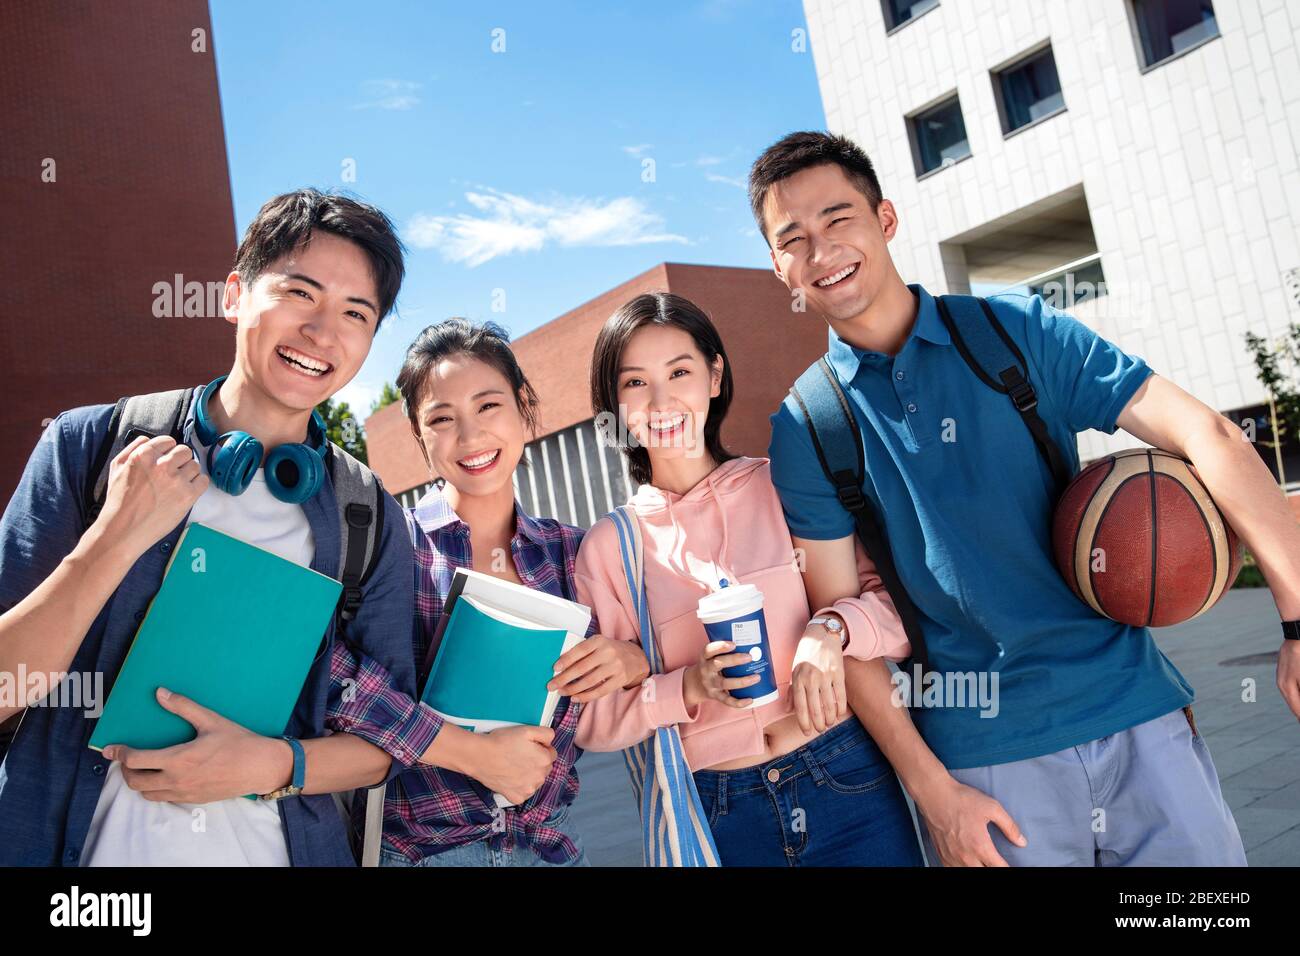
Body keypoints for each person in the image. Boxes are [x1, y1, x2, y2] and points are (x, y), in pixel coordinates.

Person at [750, 130, 1292, 865]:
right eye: (794, 238)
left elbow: (1211, 438)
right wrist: (936, 797)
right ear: (779, 267)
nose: (821, 250)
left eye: (837, 218)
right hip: (984, 764)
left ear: (885, 219)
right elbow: (847, 629)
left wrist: (1297, 624)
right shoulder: (808, 424)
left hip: (1135, 712)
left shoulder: (1016, 332)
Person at [0, 189, 443, 866]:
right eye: (301, 293)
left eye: (356, 313)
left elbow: (387, 749)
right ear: (234, 295)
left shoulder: (368, 513)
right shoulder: (90, 447)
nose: (324, 332)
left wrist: (272, 765)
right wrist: (114, 538)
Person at [573, 291, 924, 866]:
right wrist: (688, 687)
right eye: (635, 382)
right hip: (719, 811)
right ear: (614, 404)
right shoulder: (612, 548)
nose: (661, 400)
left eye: (680, 372)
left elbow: (897, 609)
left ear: (714, 376)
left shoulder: (784, 485)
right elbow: (592, 717)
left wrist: (832, 628)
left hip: (844, 774)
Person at [375, 318, 650, 867]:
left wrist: (630, 660)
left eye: (488, 406)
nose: (471, 437)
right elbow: (345, 688)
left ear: (524, 405)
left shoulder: (575, 552)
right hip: (426, 853)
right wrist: (469, 752)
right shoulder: (392, 550)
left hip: (550, 846)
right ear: (416, 432)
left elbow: (652, 664)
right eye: (442, 418)